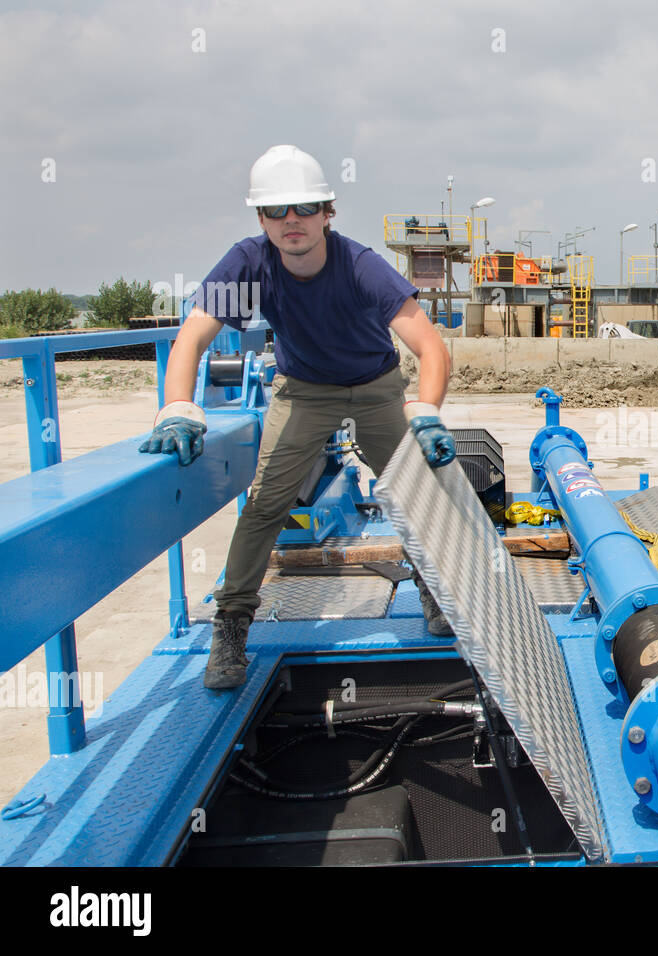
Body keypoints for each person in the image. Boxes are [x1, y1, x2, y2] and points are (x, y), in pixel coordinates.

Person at [140, 144, 456, 689]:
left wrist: (425, 410)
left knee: (417, 494)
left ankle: (432, 586)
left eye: (305, 208)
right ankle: (232, 625)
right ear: (260, 218)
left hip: (375, 390)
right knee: (265, 505)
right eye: (277, 211)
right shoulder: (247, 262)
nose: (292, 221)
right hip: (303, 392)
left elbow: (430, 347)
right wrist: (176, 408)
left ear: (327, 213)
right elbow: (192, 336)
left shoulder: (361, 265)